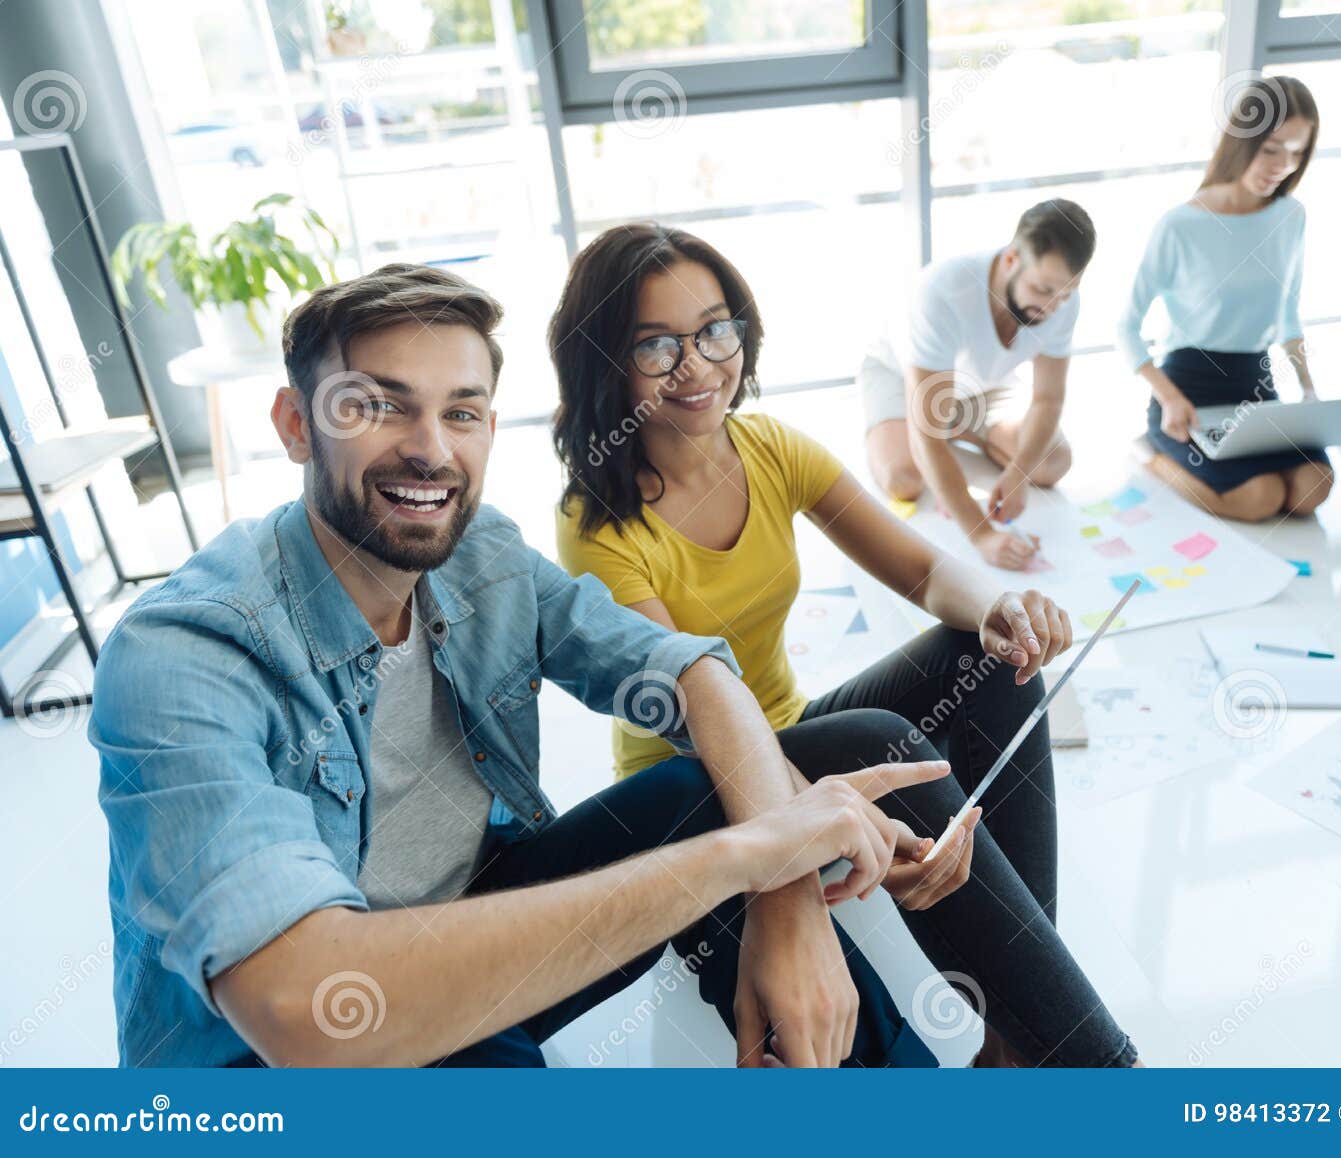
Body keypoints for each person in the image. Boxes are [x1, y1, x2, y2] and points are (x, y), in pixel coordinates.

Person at [88, 263, 962, 1069]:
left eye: (461, 411)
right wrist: (750, 855)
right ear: (294, 424)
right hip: (290, 1057)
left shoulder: (481, 556)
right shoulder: (185, 656)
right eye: (380, 406)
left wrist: (784, 893)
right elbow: (307, 1013)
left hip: (469, 917)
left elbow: (693, 674)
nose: (430, 448)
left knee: (702, 791)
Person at [551, 223, 1142, 1068]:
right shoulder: (595, 523)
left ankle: (1018, 1033)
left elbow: (927, 571)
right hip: (693, 782)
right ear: (607, 358)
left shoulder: (767, 447)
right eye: (656, 345)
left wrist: (1001, 604)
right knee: (873, 743)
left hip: (794, 731)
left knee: (986, 652)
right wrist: (847, 818)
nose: (698, 365)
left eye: (715, 330)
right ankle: (1100, 1070)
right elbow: (705, 714)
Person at [1117, 75, 1335, 523]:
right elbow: (1125, 326)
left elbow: (1287, 312)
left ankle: (1190, 459)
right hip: (1189, 387)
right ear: (1243, 140)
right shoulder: (1181, 225)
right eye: (1272, 148)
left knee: (1312, 489)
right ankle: (1153, 458)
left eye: (1297, 152)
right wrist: (1170, 397)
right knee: (1259, 499)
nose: (1283, 164)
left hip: (1254, 382)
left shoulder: (1291, 216)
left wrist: (1309, 390)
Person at [861, 199, 1093, 570]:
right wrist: (982, 535)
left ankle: (960, 428)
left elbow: (1048, 398)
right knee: (903, 479)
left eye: (1064, 294)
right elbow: (927, 435)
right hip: (900, 375)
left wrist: (1018, 474)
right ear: (1011, 260)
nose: (1051, 308)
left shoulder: (1063, 302)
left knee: (1051, 464)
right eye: (1043, 289)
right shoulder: (943, 291)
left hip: (984, 385)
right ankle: (943, 428)